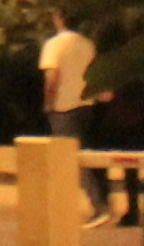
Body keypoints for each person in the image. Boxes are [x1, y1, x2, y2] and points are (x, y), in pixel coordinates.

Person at [35, 15, 110, 217]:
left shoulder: (54, 45)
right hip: (86, 105)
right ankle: (102, 199)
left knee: (69, 158)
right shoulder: (87, 45)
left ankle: (98, 206)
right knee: (86, 155)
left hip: (64, 107)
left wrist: (48, 104)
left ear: (59, 20)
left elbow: (52, 77)